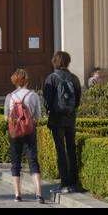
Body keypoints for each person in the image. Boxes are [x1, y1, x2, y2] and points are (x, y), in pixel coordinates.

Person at [43, 51, 82, 194]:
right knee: (71, 150)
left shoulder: (51, 78)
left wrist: (49, 110)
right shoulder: (75, 79)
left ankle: (64, 184)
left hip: (56, 119)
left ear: (55, 61)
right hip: (70, 119)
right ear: (68, 62)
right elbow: (77, 101)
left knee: (61, 151)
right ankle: (73, 182)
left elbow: (46, 101)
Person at [4, 68, 44, 204]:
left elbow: (6, 118)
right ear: (27, 79)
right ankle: (39, 194)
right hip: (29, 131)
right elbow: (38, 116)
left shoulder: (10, 97)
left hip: (14, 132)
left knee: (15, 163)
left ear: (14, 81)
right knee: (33, 161)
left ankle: (17, 194)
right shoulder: (33, 96)